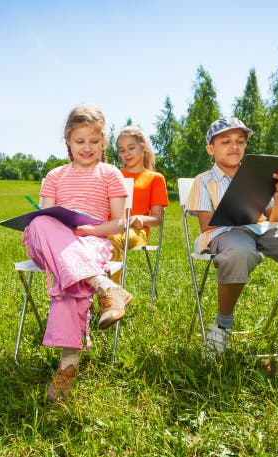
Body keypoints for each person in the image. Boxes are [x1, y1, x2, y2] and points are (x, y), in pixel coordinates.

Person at [186, 117, 278, 355]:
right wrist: (234, 209)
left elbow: (277, 221)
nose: (234, 146)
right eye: (226, 141)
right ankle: (222, 326)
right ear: (211, 149)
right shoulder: (204, 181)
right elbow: (206, 226)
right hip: (225, 232)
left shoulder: (259, 176)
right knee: (240, 251)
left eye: (240, 141)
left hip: (264, 229)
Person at [24, 104, 132, 401]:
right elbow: (44, 218)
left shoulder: (110, 174)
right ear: (68, 142)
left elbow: (119, 223)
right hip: (50, 243)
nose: (87, 148)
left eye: (94, 142)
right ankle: (105, 285)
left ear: (104, 143)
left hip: (90, 242)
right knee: (42, 223)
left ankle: (67, 367)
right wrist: (65, 229)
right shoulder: (55, 175)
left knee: (69, 277)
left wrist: (91, 231)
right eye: (80, 141)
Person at [109, 125, 169, 283]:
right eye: (122, 150)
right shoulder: (113, 175)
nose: (126, 154)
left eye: (131, 148)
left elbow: (157, 219)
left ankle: (112, 298)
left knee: (112, 239)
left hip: (136, 231)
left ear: (143, 147)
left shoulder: (155, 178)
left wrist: (141, 219)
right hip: (108, 227)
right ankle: (83, 300)